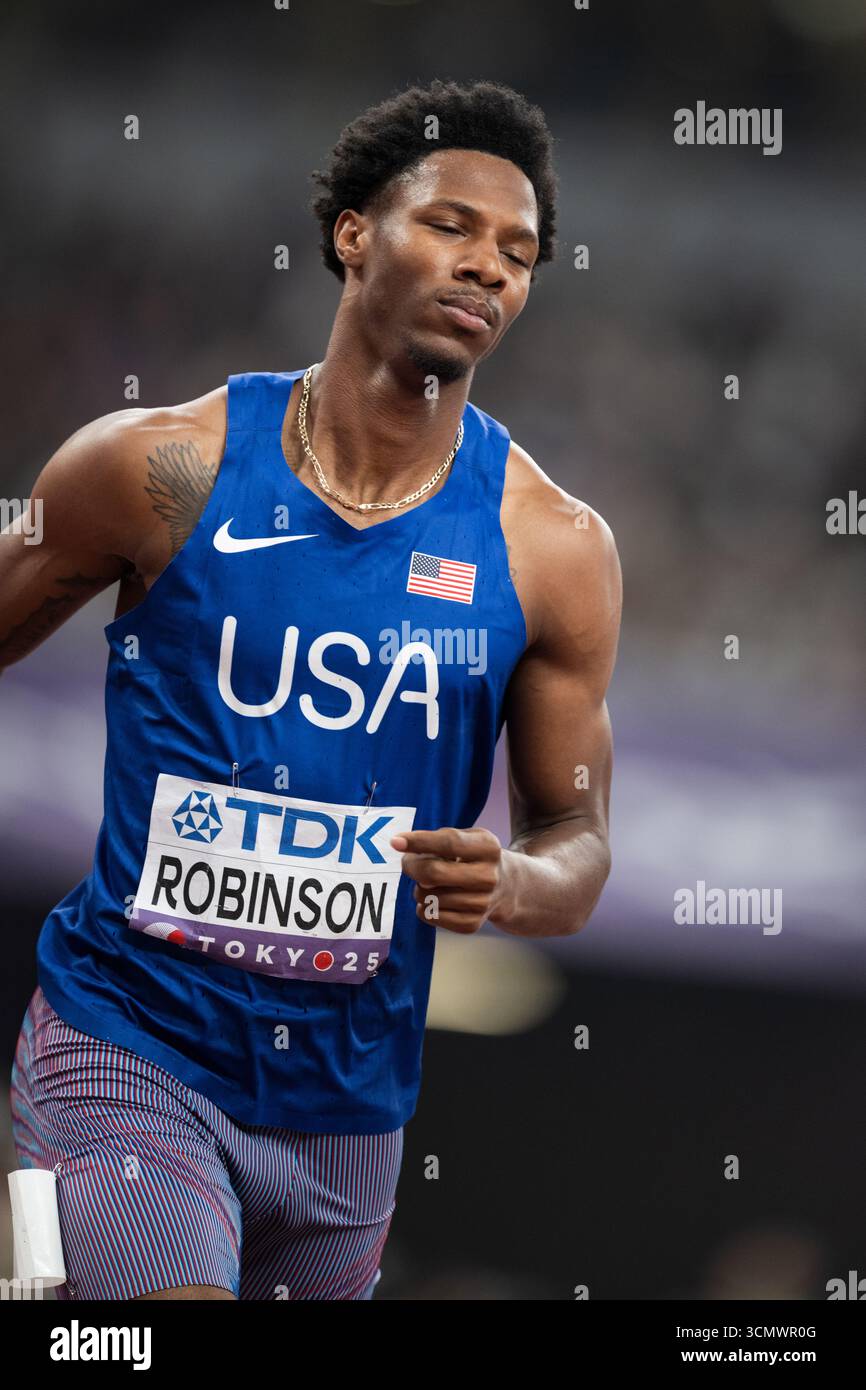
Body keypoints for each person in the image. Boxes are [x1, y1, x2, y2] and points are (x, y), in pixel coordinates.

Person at [2, 78, 622, 1301]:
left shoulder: (552, 547)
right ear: (352, 234)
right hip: (126, 1048)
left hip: (349, 1120)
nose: (487, 267)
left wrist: (511, 880)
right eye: (449, 225)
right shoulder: (156, 468)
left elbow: (579, 843)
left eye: (517, 255)